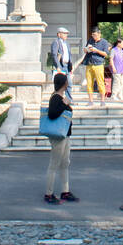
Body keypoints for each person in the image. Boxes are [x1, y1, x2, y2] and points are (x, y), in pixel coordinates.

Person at [43, 71, 78, 204]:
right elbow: (52, 114)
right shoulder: (56, 98)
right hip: (58, 135)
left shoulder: (60, 97)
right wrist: (65, 103)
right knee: (54, 164)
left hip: (65, 134)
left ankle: (65, 190)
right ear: (64, 83)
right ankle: (49, 193)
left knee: (64, 163)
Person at [81, 27, 110, 106]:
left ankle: (102, 100)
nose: (94, 37)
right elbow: (84, 50)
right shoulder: (90, 40)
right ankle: (90, 101)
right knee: (89, 83)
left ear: (99, 34)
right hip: (89, 63)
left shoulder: (104, 42)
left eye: (95, 35)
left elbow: (106, 54)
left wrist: (96, 50)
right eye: (93, 35)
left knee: (100, 82)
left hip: (98, 64)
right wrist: (87, 49)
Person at [109, 37, 123, 102]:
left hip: (122, 68)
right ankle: (114, 95)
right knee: (116, 82)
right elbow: (111, 59)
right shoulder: (113, 50)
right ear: (118, 43)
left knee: (122, 83)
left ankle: (120, 95)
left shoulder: (122, 51)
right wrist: (113, 67)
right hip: (116, 68)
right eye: (122, 43)